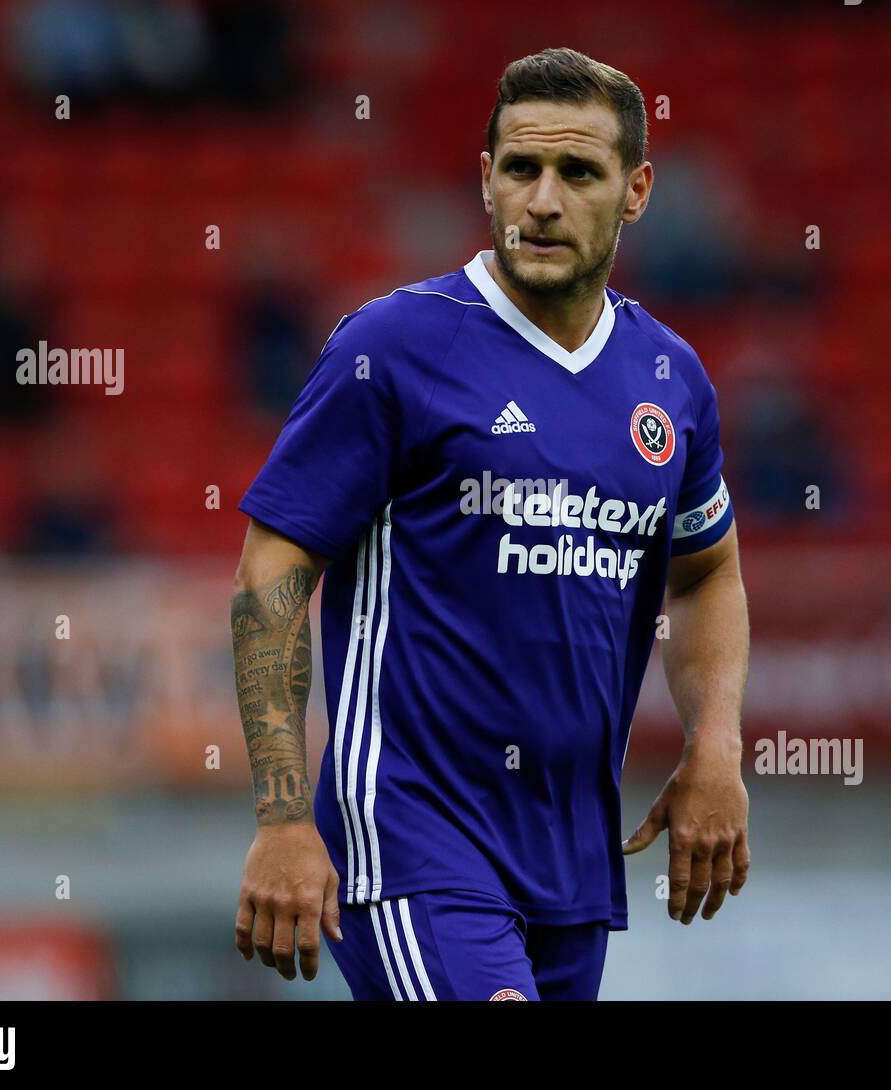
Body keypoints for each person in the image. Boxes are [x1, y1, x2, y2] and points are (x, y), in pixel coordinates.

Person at [230, 47, 751, 1001]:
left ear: (636, 192)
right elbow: (272, 570)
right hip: (413, 841)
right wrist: (281, 818)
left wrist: (714, 750)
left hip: (570, 859)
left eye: (578, 174)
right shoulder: (393, 348)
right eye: (521, 169)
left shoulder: (670, 379)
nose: (543, 201)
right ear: (486, 178)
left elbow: (706, 571)